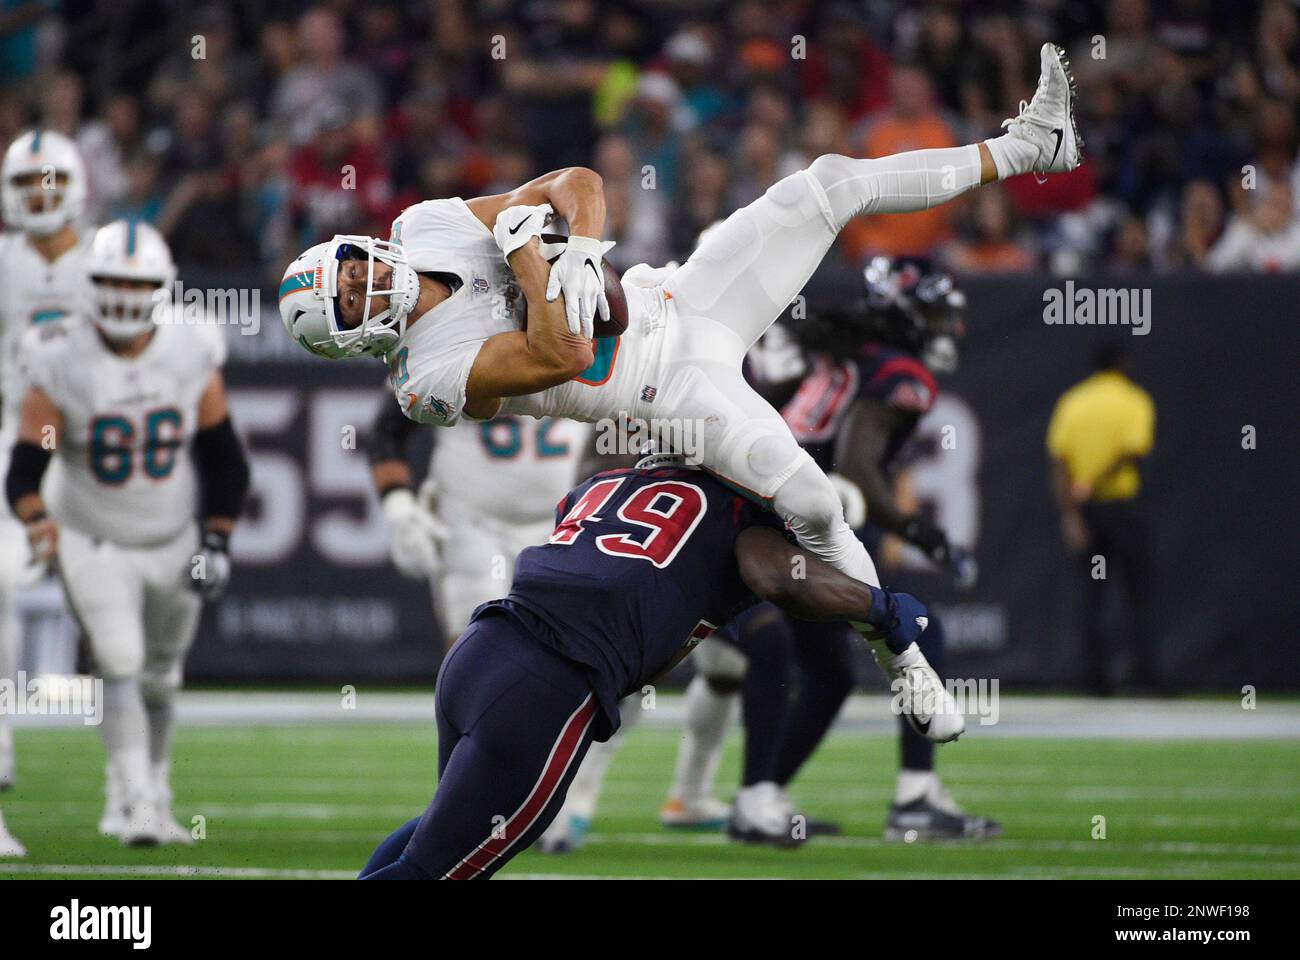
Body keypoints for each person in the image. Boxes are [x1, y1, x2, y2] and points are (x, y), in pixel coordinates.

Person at [282, 45, 1084, 735]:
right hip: (668, 393)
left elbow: (577, 181)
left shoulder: (423, 224)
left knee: (826, 184)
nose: (364, 279)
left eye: (351, 266)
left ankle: (1026, 146)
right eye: (349, 297)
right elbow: (561, 351)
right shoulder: (424, 379)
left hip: (683, 295)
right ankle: (899, 654)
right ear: (351, 335)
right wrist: (534, 254)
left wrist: (580, 250)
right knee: (811, 502)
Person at [358, 449, 932, 879]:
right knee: (438, 866)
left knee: (442, 833)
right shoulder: (742, 512)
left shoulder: (608, 481)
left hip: (480, 650)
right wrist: (878, 606)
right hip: (547, 687)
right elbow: (775, 575)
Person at [667, 257, 1001, 844]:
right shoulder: (898, 372)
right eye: (936, 317)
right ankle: (915, 799)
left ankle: (760, 797)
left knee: (823, 672)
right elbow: (858, 466)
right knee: (919, 631)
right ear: (907, 316)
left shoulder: (837, 357)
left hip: (759, 510)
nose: (949, 330)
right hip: (810, 518)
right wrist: (922, 534)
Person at [4, 219, 251, 844]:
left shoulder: (191, 344)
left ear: (162, 288)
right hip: (92, 535)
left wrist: (217, 538)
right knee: (119, 660)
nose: (121, 295)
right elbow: (28, 464)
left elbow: (225, 457)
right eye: (109, 280)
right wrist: (36, 520)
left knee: (162, 676)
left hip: (171, 536)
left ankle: (150, 790)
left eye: (134, 283)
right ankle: (136, 800)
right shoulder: (59, 353)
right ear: (87, 285)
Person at [0, 130, 94, 849]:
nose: (40, 195)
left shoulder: (114, 262)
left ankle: (141, 792)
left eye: (50, 180)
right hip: (15, 433)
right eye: (27, 182)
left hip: (104, 443)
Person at [367, 396, 589, 648]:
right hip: (470, 521)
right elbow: (388, 429)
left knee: (560, 648)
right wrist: (399, 507)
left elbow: (620, 428)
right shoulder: (450, 357)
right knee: (478, 641)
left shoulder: (594, 360)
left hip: (561, 523)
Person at [1047, 343, 1156, 695]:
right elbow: (1131, 452)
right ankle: (1142, 678)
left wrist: (1070, 515)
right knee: (1137, 593)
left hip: (1086, 512)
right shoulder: (1133, 399)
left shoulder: (1073, 402)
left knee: (1092, 596)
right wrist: (1093, 482)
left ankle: (1093, 680)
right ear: (1121, 363)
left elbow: (1060, 463)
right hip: (1119, 508)